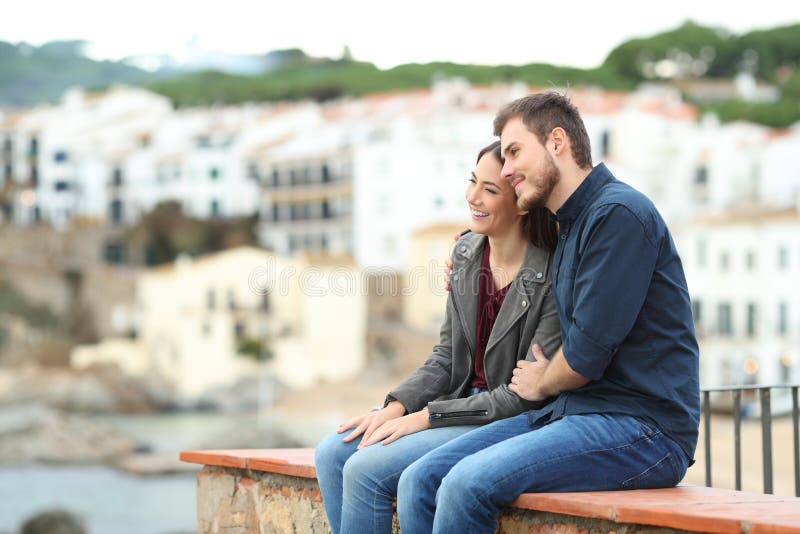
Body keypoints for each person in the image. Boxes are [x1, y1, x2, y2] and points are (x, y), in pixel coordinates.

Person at [396, 92, 700, 534]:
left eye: (515, 151)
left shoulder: (618, 215)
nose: (506, 169)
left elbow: (583, 359)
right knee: (422, 477)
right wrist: (465, 247)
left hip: (643, 429)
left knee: (464, 485)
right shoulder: (568, 224)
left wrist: (543, 379)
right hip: (573, 415)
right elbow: (509, 233)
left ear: (557, 142)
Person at [314, 140, 562, 534]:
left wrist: (427, 418)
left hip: (506, 418)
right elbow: (447, 356)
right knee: (331, 453)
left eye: (490, 189)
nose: (472, 196)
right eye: (472, 181)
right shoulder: (465, 252)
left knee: (365, 471)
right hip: (456, 406)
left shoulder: (551, 272)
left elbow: (524, 394)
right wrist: (396, 407)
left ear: (521, 203)